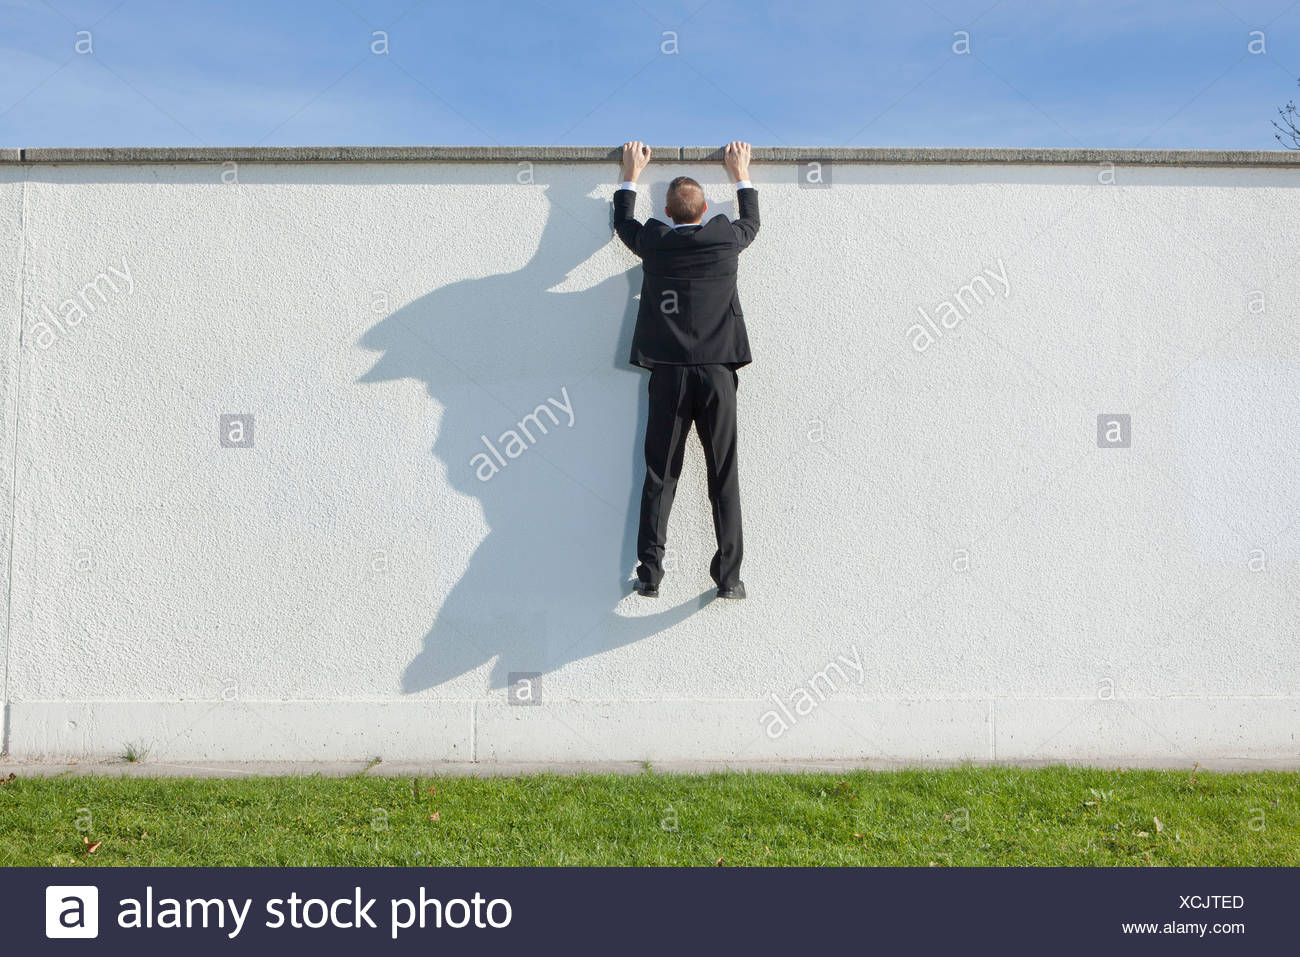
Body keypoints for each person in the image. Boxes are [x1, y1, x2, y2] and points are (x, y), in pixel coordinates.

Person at [613, 140, 759, 600]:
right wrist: (741, 173)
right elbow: (752, 222)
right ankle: (729, 580)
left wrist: (630, 173)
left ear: (669, 213)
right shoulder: (724, 241)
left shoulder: (655, 244)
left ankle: (651, 576)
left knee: (661, 474)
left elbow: (624, 223)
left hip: (671, 375)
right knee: (724, 474)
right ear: (705, 208)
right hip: (717, 373)